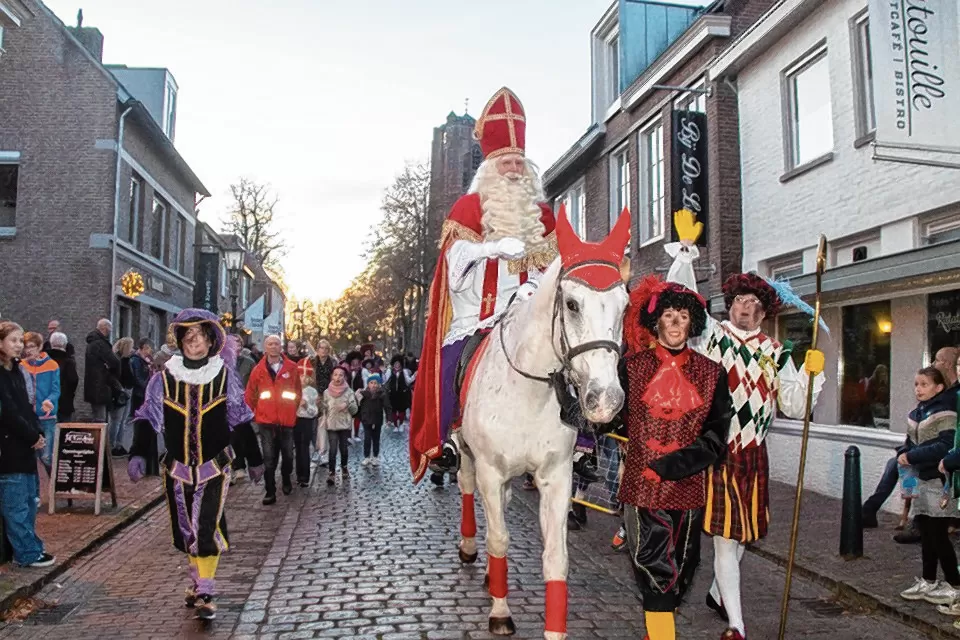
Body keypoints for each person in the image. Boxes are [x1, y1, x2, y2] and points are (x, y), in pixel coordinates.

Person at [666, 209, 826, 640]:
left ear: (764, 313)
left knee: (740, 538)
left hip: (754, 452)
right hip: (719, 448)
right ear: (731, 302)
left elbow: (794, 407)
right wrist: (685, 254)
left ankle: (717, 592)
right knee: (724, 538)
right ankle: (737, 625)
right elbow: (681, 301)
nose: (747, 308)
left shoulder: (777, 352)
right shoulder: (711, 336)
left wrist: (811, 375)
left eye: (755, 304)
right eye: (741, 300)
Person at [410, 86, 559, 486]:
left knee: (567, 359)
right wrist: (490, 248)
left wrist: (536, 287)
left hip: (529, 314)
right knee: (453, 361)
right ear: (491, 167)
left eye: (519, 162)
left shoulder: (543, 216)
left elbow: (553, 269)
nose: (514, 169)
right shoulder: (468, 208)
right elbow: (454, 263)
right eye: (506, 162)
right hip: (480, 315)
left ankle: (578, 444)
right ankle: (446, 439)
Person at [614, 277, 731, 640]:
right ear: (656, 321)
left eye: (683, 315)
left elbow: (716, 437)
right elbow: (611, 416)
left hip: (688, 488)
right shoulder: (630, 367)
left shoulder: (712, 373)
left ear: (692, 322)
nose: (676, 322)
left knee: (682, 569)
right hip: (642, 487)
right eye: (668, 315)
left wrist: (671, 466)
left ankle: (657, 629)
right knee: (654, 569)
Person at [127, 309, 262, 621]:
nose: (194, 342)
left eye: (200, 337)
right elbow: (147, 418)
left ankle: (205, 590)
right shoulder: (163, 379)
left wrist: (254, 459)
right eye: (188, 337)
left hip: (214, 466)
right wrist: (137, 453)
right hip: (177, 469)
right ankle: (196, 581)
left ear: (211, 341)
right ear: (180, 341)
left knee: (207, 526)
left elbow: (240, 420)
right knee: (186, 528)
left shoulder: (224, 377)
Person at [896, 367, 960, 607]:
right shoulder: (916, 413)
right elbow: (909, 441)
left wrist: (913, 456)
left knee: (939, 535)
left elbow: (946, 445)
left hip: (938, 479)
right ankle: (928, 580)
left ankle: (955, 584)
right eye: (916, 384)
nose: (918, 389)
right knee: (925, 533)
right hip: (919, 478)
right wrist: (903, 452)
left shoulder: (946, 411)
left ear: (939, 387)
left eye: (924, 384)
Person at [0, 322, 55, 568]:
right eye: (13, 340)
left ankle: (30, 548)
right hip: (10, 448)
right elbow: (9, 412)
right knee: (16, 505)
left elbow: (25, 406)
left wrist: (37, 432)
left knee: (30, 500)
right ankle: (26, 553)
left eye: (20, 340)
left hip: (25, 447)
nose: (18, 345)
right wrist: (32, 436)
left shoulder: (16, 370)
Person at [245, 334, 302, 505]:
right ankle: (270, 491)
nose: (273, 347)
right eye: (270, 344)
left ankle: (286, 478)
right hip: (266, 421)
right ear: (265, 347)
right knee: (269, 458)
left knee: (288, 455)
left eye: (276, 344)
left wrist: (292, 409)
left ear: (281, 346)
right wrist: (254, 414)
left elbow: (297, 392)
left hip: (286, 420)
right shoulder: (258, 370)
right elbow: (250, 394)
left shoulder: (291, 367)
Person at [20, 332, 60, 473]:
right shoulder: (21, 366)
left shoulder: (52, 365)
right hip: (27, 417)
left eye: (31, 346)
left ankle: (56, 482)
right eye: (26, 347)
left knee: (47, 456)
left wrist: (49, 401)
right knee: (29, 458)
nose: (28, 350)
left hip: (46, 416)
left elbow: (56, 390)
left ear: (39, 347)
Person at [322, 365, 358, 485]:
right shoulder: (326, 392)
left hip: (344, 425)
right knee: (332, 450)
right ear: (332, 376)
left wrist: (347, 405)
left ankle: (344, 468)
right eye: (335, 375)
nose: (338, 377)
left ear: (345, 377)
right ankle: (331, 472)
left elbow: (354, 410)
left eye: (341, 375)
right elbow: (324, 409)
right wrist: (320, 405)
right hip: (331, 425)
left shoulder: (349, 392)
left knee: (343, 449)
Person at [84, 319, 121, 422]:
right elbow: (115, 362)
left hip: (92, 384)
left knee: (96, 415)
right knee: (101, 419)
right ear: (105, 328)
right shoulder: (101, 344)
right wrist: (114, 376)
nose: (110, 331)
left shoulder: (91, 343)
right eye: (110, 328)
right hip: (102, 385)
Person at [357, 373, 391, 466]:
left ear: (379, 384)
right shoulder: (364, 394)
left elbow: (387, 406)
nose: (373, 385)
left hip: (377, 419)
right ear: (368, 384)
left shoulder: (382, 394)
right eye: (371, 383)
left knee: (376, 439)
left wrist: (389, 418)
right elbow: (358, 406)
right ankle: (366, 456)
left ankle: (375, 457)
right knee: (367, 439)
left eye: (375, 383)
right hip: (366, 419)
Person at [47, 331, 78, 422]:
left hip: (46, 401)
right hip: (64, 401)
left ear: (51, 343)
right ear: (65, 344)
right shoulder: (69, 361)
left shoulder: (45, 360)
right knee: (64, 427)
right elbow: (73, 380)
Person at [295, 374, 319, 487]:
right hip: (293, 421)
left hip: (306, 421)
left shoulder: (311, 392)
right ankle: (298, 474)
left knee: (304, 447)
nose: (302, 379)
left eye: (304, 377)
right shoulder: (292, 388)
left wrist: (306, 406)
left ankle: (304, 476)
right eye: (300, 376)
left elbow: (314, 411)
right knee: (297, 448)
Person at [385, 355, 415, 431]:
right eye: (395, 364)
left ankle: (401, 424)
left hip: (402, 394)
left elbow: (408, 381)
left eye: (398, 364)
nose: (397, 365)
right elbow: (385, 380)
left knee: (402, 410)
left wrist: (414, 376)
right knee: (394, 410)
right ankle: (396, 425)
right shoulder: (390, 371)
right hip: (392, 394)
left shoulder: (404, 372)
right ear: (393, 364)